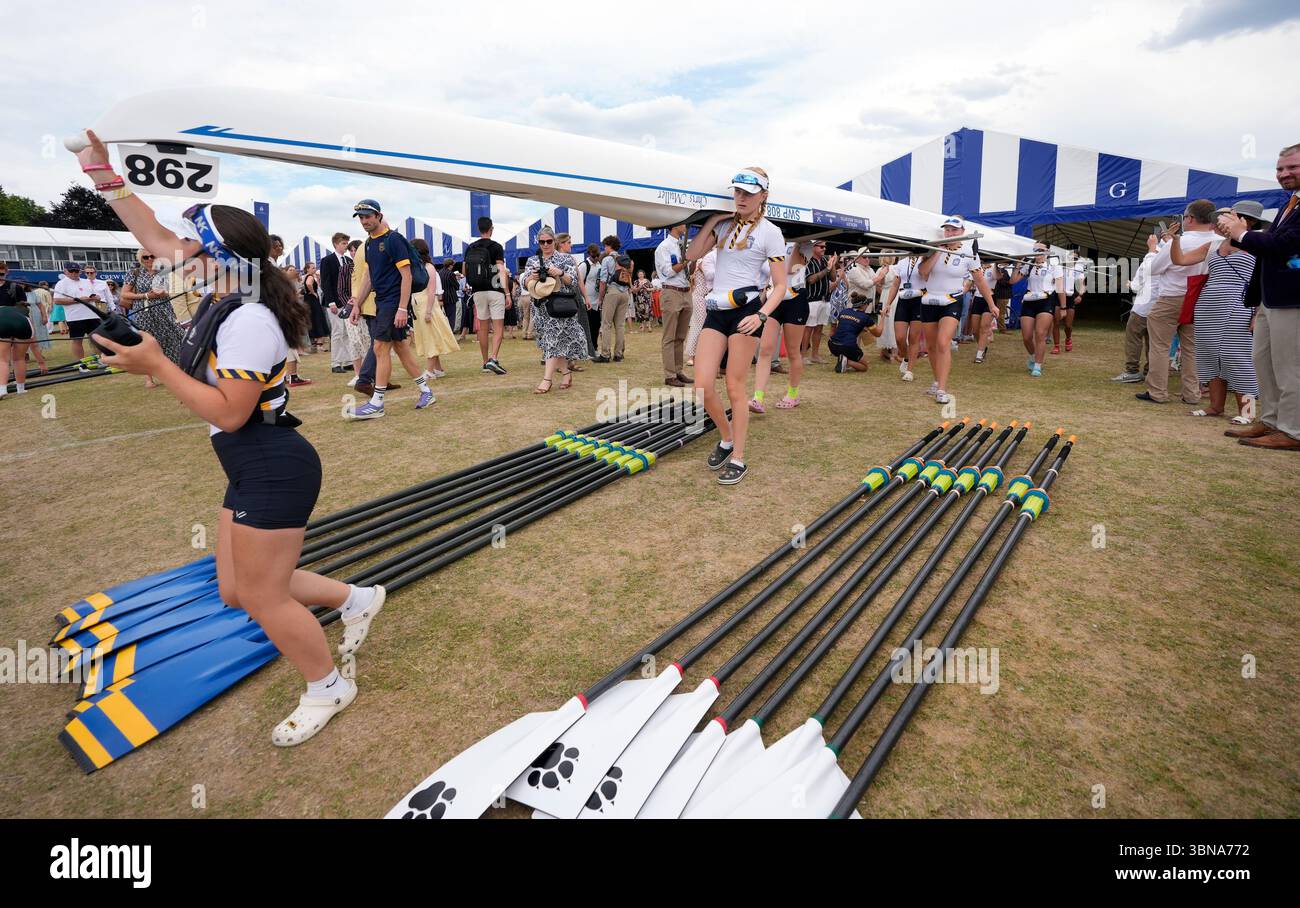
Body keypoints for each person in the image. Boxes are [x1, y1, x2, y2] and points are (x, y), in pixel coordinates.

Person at [75, 130, 384, 745]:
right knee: (237, 588)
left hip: (270, 461)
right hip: (252, 463)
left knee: (264, 597)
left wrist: (157, 367)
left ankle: (328, 686)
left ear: (218, 256)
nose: (175, 248)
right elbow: (155, 235)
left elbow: (233, 412)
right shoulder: (225, 290)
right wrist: (102, 175)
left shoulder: (245, 319)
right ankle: (355, 599)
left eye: (192, 242)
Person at [686, 166, 788, 485]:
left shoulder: (771, 232)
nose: (741, 198)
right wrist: (713, 221)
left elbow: (781, 285)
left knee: (734, 385)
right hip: (717, 311)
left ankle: (740, 457)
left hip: (748, 313)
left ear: (763, 195)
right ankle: (726, 438)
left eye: (749, 193)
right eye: (738, 192)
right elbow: (691, 253)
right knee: (702, 384)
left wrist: (761, 315)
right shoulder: (724, 226)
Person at [1221, 143, 1300, 450]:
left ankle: (1292, 431)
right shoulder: (1289, 203)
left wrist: (1240, 233)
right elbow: (1271, 245)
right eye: (1280, 168)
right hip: (1271, 297)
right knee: (1264, 362)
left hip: (1293, 298)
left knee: (1289, 365)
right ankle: (1271, 420)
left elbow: (1285, 244)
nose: (1284, 173)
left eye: (1292, 167)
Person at [1166, 201, 1261, 421]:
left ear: (1246, 220)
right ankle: (1215, 407)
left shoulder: (1260, 244)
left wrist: (1257, 313)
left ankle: (1247, 413)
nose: (1221, 222)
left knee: (1237, 358)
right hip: (1208, 307)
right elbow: (1180, 259)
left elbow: (1265, 282)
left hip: (1240, 306)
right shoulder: (1213, 245)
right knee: (1209, 357)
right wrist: (1176, 240)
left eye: (1228, 217)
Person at [345, 199, 436, 416]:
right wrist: (357, 303)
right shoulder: (368, 243)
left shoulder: (393, 239)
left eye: (368, 216)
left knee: (379, 348)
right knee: (401, 347)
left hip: (392, 302)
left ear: (378, 216)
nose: (364, 221)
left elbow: (407, 275)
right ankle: (426, 390)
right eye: (361, 217)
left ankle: (376, 403)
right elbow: (368, 277)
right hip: (382, 300)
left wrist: (402, 308)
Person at [1139, 200, 1219, 405]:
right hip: (1199, 298)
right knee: (1191, 348)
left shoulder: (1181, 241)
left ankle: (1157, 392)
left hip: (1172, 296)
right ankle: (1192, 393)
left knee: (1159, 346)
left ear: (1190, 219)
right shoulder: (1219, 241)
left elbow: (1153, 269)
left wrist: (1153, 250)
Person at [917, 217, 997, 404]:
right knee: (930, 346)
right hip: (929, 299)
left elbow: (980, 281)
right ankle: (936, 381)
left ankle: (943, 389)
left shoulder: (969, 252)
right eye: (947, 230)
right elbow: (923, 272)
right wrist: (938, 251)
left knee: (943, 343)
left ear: (962, 232)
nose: (950, 233)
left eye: (954, 230)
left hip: (952, 300)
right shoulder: (933, 247)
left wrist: (992, 304)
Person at [523, 226, 589, 394]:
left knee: (553, 341)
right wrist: (532, 277)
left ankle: (547, 380)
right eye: (542, 242)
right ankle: (566, 374)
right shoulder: (532, 260)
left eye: (549, 241)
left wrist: (558, 272)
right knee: (551, 344)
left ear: (554, 241)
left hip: (560, 306)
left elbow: (572, 282)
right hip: (540, 308)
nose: (545, 244)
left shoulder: (566, 258)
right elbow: (525, 283)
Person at [750, 238, 807, 412]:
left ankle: (793, 393)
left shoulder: (805, 245)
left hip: (796, 299)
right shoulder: (772, 240)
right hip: (775, 298)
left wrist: (798, 243)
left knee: (792, 351)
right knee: (765, 349)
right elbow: (766, 271)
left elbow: (791, 269)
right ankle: (757, 398)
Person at [120, 249, 185, 387]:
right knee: (147, 343)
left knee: (172, 338)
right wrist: (146, 296)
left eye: (152, 256)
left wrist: (163, 293)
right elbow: (125, 294)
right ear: (140, 259)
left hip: (164, 309)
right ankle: (149, 379)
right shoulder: (134, 273)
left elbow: (174, 290)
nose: (149, 259)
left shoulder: (166, 271)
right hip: (144, 312)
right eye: (145, 257)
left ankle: (175, 373)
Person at [406, 238, 457, 381]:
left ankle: (429, 370)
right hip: (417, 305)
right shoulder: (416, 266)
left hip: (426, 305)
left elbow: (431, 290)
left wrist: (428, 311)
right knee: (429, 336)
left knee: (430, 337)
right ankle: (437, 368)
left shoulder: (428, 267)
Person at [463, 216, 509, 375]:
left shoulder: (471, 247)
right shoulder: (496, 247)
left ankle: (484, 362)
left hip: (478, 290)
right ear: (491, 228)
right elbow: (501, 270)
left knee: (482, 327)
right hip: (495, 290)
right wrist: (507, 293)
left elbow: (465, 270)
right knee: (497, 327)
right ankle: (493, 358)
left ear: (479, 229)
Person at [1010, 244, 1062, 378]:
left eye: (1041, 250)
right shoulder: (1029, 265)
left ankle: (1038, 365)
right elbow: (1013, 280)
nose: (1037, 252)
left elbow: (1060, 287)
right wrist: (1018, 263)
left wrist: (1063, 307)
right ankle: (1033, 357)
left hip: (1046, 300)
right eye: (1035, 250)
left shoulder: (1054, 265)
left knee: (1040, 334)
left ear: (1047, 251)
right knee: (1026, 337)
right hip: (1029, 300)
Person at [1114, 236, 1157, 383]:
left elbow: (1138, 285)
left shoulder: (1150, 260)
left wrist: (1130, 284)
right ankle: (1149, 371)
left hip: (1143, 307)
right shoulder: (1171, 259)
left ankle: (1132, 371)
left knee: (1134, 337)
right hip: (1160, 307)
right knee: (1153, 341)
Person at [883, 252, 925, 381]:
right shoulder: (902, 262)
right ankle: (905, 357)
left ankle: (910, 371)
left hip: (919, 299)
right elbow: (895, 284)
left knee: (913, 338)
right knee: (900, 337)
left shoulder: (924, 259)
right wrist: (888, 304)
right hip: (903, 299)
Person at [51, 262, 101, 364]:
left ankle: (102, 360)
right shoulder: (61, 283)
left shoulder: (86, 282)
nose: (74, 273)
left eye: (77, 271)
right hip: (75, 317)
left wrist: (96, 298)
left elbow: (97, 296)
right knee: (77, 341)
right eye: (71, 271)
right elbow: (57, 300)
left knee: (99, 339)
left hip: (92, 315)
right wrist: (77, 300)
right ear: (65, 271)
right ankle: (82, 363)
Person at [0, 263, 37, 397]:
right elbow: (24, 308)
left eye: (1, 274)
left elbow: (24, 307)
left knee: (3, 359)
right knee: (18, 358)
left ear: (7, 272)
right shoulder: (16, 286)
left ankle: (2, 389)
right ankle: (20, 388)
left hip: (7, 321)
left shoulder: (15, 286)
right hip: (22, 322)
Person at [595, 235, 631, 363]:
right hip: (624, 292)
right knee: (620, 325)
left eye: (605, 246)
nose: (604, 248)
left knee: (606, 324)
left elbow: (603, 281)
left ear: (608, 246)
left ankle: (605, 354)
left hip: (613, 292)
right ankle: (619, 354)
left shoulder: (607, 259)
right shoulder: (623, 259)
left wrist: (600, 298)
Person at [320, 233, 352, 374]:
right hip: (334, 301)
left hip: (347, 301)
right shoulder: (327, 260)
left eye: (346, 243)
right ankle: (336, 363)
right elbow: (326, 282)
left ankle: (348, 361)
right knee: (337, 332)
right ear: (336, 244)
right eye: (343, 243)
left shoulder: (348, 260)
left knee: (347, 332)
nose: (345, 246)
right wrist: (331, 302)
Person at [829, 291, 880, 374]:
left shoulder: (844, 311)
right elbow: (878, 333)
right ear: (863, 305)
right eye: (867, 304)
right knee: (864, 367)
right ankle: (847, 361)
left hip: (832, 344)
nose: (868, 306)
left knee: (847, 346)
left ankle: (844, 358)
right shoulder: (865, 317)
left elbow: (841, 328)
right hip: (847, 346)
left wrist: (859, 329)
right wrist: (883, 317)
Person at [801, 240, 835, 364]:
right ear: (813, 247)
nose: (824, 249)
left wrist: (832, 265)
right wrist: (827, 269)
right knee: (808, 328)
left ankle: (815, 355)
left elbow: (833, 278)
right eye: (821, 246)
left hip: (825, 299)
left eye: (825, 247)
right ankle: (803, 356)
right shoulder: (808, 261)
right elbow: (811, 279)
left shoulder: (825, 261)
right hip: (812, 300)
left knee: (819, 329)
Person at [685, 247, 715, 367]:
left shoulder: (701, 261)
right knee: (699, 325)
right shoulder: (701, 262)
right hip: (700, 297)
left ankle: (699, 354)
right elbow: (710, 277)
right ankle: (692, 355)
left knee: (703, 325)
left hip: (704, 296)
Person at [1052, 252, 1084, 354]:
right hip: (1058, 297)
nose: (1072, 259)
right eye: (1070, 257)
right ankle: (1056, 346)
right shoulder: (1059, 267)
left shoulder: (1078, 268)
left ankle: (1068, 338)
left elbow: (1082, 284)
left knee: (1068, 325)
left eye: (1075, 258)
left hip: (1070, 298)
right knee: (1056, 322)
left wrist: (1080, 295)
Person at [970, 262, 1000, 363]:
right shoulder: (977, 266)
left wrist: (995, 264)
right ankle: (982, 348)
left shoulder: (993, 267)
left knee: (984, 327)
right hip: (977, 298)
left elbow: (997, 277)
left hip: (990, 297)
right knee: (975, 330)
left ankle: (979, 353)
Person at [871, 253, 898, 360]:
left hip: (884, 296)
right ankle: (894, 351)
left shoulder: (879, 270)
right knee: (892, 321)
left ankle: (885, 350)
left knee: (884, 320)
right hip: (894, 295)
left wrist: (884, 293)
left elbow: (878, 285)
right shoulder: (895, 268)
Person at [579, 243, 602, 356]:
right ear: (589, 254)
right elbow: (579, 283)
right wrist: (584, 298)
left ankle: (594, 348)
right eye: (594, 256)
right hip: (585, 302)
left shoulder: (599, 265)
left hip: (597, 302)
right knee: (585, 328)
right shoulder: (583, 266)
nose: (596, 258)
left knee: (596, 327)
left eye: (598, 255)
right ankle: (585, 350)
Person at [301, 261, 329, 353]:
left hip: (308, 300)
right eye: (312, 268)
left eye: (315, 267)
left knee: (312, 320)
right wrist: (313, 292)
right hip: (312, 300)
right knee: (318, 319)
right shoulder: (309, 277)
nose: (314, 269)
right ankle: (319, 345)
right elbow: (309, 284)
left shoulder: (306, 277)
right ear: (307, 269)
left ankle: (314, 345)